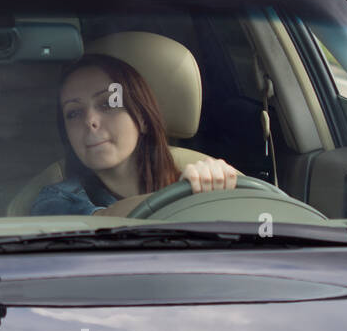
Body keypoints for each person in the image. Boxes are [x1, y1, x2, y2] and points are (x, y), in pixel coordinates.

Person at [31, 53, 239, 216]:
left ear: (142, 118)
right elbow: (97, 226)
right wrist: (190, 199)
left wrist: (221, 186)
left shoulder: (197, 177)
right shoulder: (56, 200)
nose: (90, 120)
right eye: (74, 113)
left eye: (107, 103)